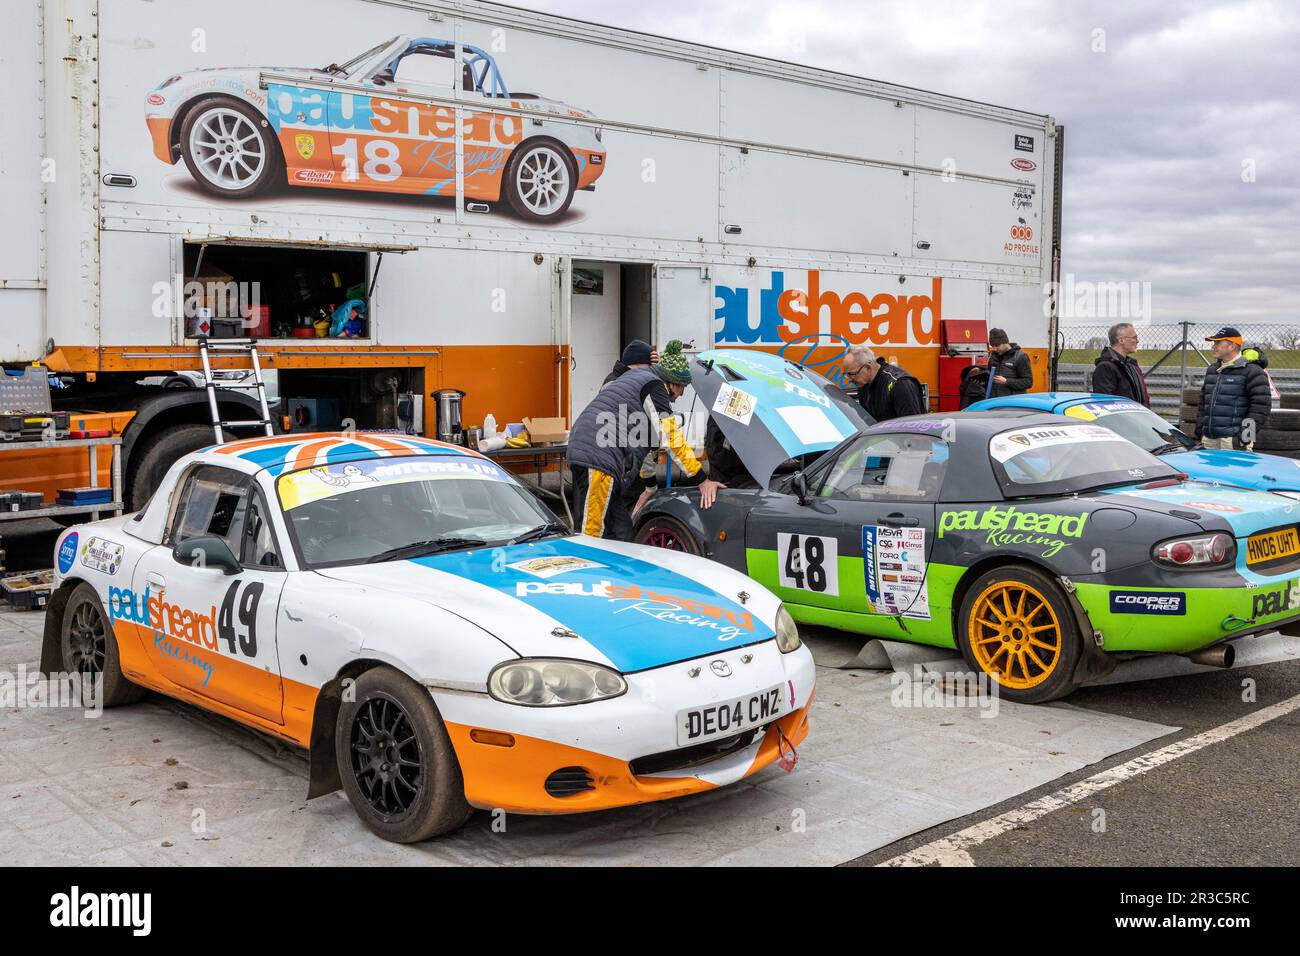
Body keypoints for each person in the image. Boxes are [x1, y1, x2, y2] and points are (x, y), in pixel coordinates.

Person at [569, 340, 723, 539]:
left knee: (621, 531)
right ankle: (585, 568)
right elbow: (671, 438)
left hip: (596, 454)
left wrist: (649, 488)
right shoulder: (654, 386)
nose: (678, 396)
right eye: (681, 388)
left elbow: (643, 447)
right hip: (598, 457)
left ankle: (619, 567)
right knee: (592, 534)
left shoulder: (637, 380)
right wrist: (701, 480)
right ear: (673, 382)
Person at [1196, 327, 1270, 451]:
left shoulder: (1253, 371)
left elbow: (1261, 407)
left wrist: (1245, 437)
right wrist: (1200, 430)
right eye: (1214, 343)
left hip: (1233, 441)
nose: (1213, 346)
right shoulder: (1212, 370)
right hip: (1208, 439)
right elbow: (1203, 402)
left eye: (1218, 343)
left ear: (1232, 346)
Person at [840, 346, 925, 421]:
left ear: (868, 367)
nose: (849, 379)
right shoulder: (863, 384)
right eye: (846, 375)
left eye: (852, 374)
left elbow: (912, 428)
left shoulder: (900, 384)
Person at [1091, 322, 1150, 406]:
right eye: (1134, 338)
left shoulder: (1131, 366)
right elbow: (1105, 405)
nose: (1137, 341)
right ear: (1121, 340)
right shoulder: (1106, 368)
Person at [984, 328, 1033, 397]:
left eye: (997, 346)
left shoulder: (1021, 357)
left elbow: (1028, 382)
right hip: (995, 401)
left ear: (1005, 342)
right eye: (992, 346)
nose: (994, 349)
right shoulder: (993, 357)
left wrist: (1007, 381)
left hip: (1011, 402)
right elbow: (989, 376)